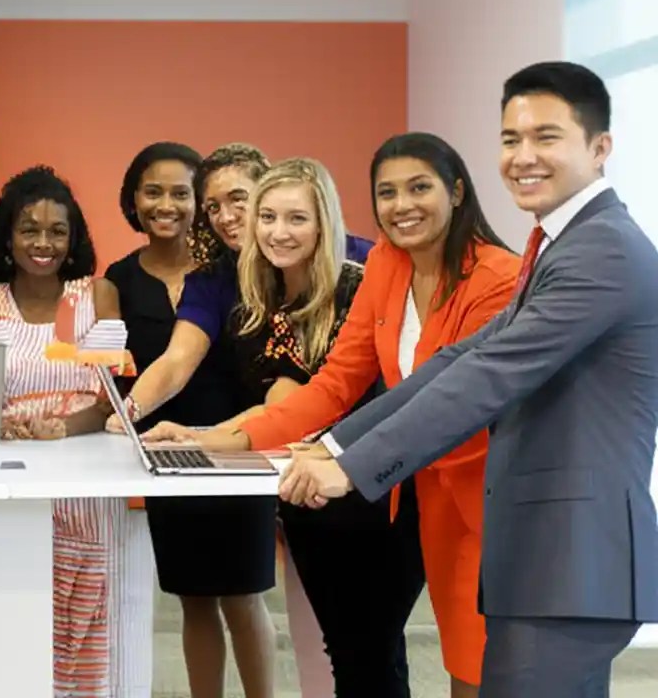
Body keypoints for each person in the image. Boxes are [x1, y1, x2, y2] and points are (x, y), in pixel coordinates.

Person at [279, 61, 658, 697]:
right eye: (511, 140)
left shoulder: (603, 250)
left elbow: (490, 375)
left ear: (600, 148)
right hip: (548, 559)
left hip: (571, 559)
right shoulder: (561, 242)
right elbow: (458, 358)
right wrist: (337, 445)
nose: (522, 157)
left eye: (547, 137)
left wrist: (350, 469)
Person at [151, 133, 520, 697]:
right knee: (425, 661)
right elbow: (333, 386)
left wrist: (342, 458)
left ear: (458, 191)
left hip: (488, 498)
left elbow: (455, 407)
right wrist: (214, 443)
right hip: (421, 494)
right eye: (388, 192)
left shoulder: (495, 277)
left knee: (483, 669)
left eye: (419, 187)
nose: (403, 205)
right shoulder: (390, 267)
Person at [140, 157, 425, 696]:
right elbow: (284, 404)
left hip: (375, 491)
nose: (277, 231)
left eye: (295, 218)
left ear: (325, 223)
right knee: (349, 655)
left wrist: (204, 437)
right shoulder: (267, 299)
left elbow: (327, 401)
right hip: (307, 492)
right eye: (267, 217)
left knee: (372, 653)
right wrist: (198, 437)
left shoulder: (358, 286)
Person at [0, 164, 155, 697]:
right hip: (6, 481)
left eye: (57, 231)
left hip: (86, 478)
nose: (43, 243)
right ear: (7, 235)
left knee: (88, 617)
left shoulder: (97, 295)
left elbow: (110, 396)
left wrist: (63, 427)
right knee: (15, 609)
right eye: (29, 229)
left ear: (74, 238)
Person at [103, 142, 276, 698]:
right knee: (193, 598)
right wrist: (125, 414)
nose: (223, 214)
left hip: (243, 445)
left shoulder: (227, 270)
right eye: (215, 204)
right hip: (167, 450)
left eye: (185, 193)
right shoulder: (131, 279)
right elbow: (174, 361)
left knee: (245, 595)